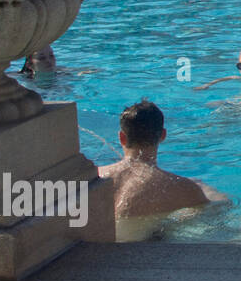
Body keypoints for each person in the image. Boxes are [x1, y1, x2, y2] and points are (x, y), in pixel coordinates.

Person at [98, 100, 229, 237]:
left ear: (121, 137)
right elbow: (220, 207)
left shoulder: (94, 176)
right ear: (163, 136)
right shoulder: (178, 187)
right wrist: (203, 187)